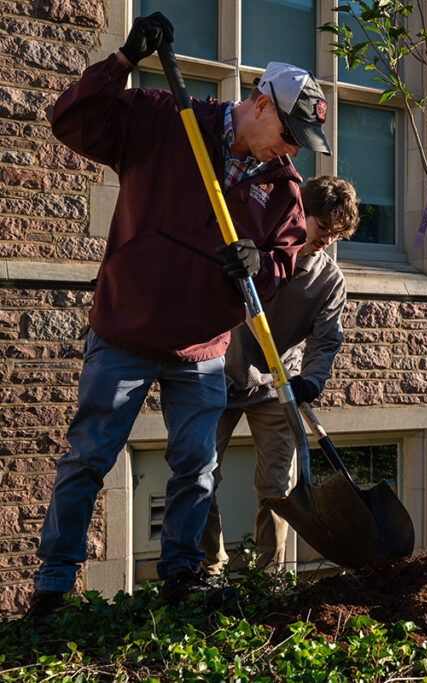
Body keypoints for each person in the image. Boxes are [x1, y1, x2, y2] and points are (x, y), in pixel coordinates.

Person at [28, 12, 331, 628]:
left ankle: (181, 574)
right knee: (88, 458)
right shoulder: (168, 120)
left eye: (302, 141)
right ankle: (54, 585)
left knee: (197, 468)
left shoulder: (283, 189)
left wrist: (261, 265)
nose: (292, 149)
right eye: (289, 133)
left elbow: (282, 260)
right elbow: (72, 120)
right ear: (259, 103)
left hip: (203, 346)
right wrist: (122, 62)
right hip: (127, 329)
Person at [200, 176, 359, 575]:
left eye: (338, 234)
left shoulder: (329, 281)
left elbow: (326, 340)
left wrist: (312, 380)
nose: (327, 239)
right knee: (199, 475)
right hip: (218, 373)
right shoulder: (255, 248)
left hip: (276, 385)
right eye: (323, 226)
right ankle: (210, 568)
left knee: (278, 488)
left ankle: (268, 578)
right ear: (300, 213)